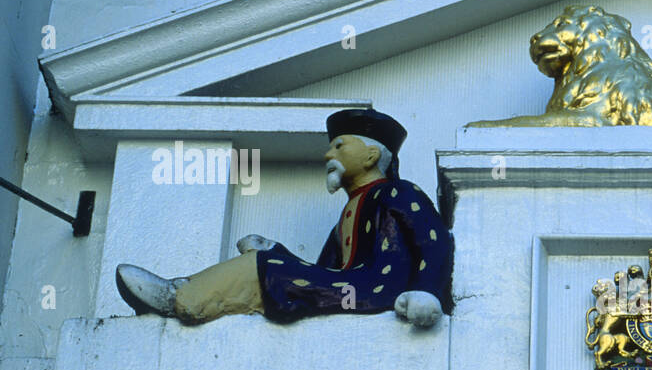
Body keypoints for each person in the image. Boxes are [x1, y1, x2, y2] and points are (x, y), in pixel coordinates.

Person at [116, 108, 452, 327]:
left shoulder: (399, 193)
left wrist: (427, 290)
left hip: (376, 290)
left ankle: (179, 299)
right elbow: (323, 274)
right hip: (353, 288)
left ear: (371, 155)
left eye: (338, 146)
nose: (328, 154)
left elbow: (433, 241)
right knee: (270, 263)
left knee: (266, 266)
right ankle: (188, 288)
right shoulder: (347, 216)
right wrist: (280, 252)